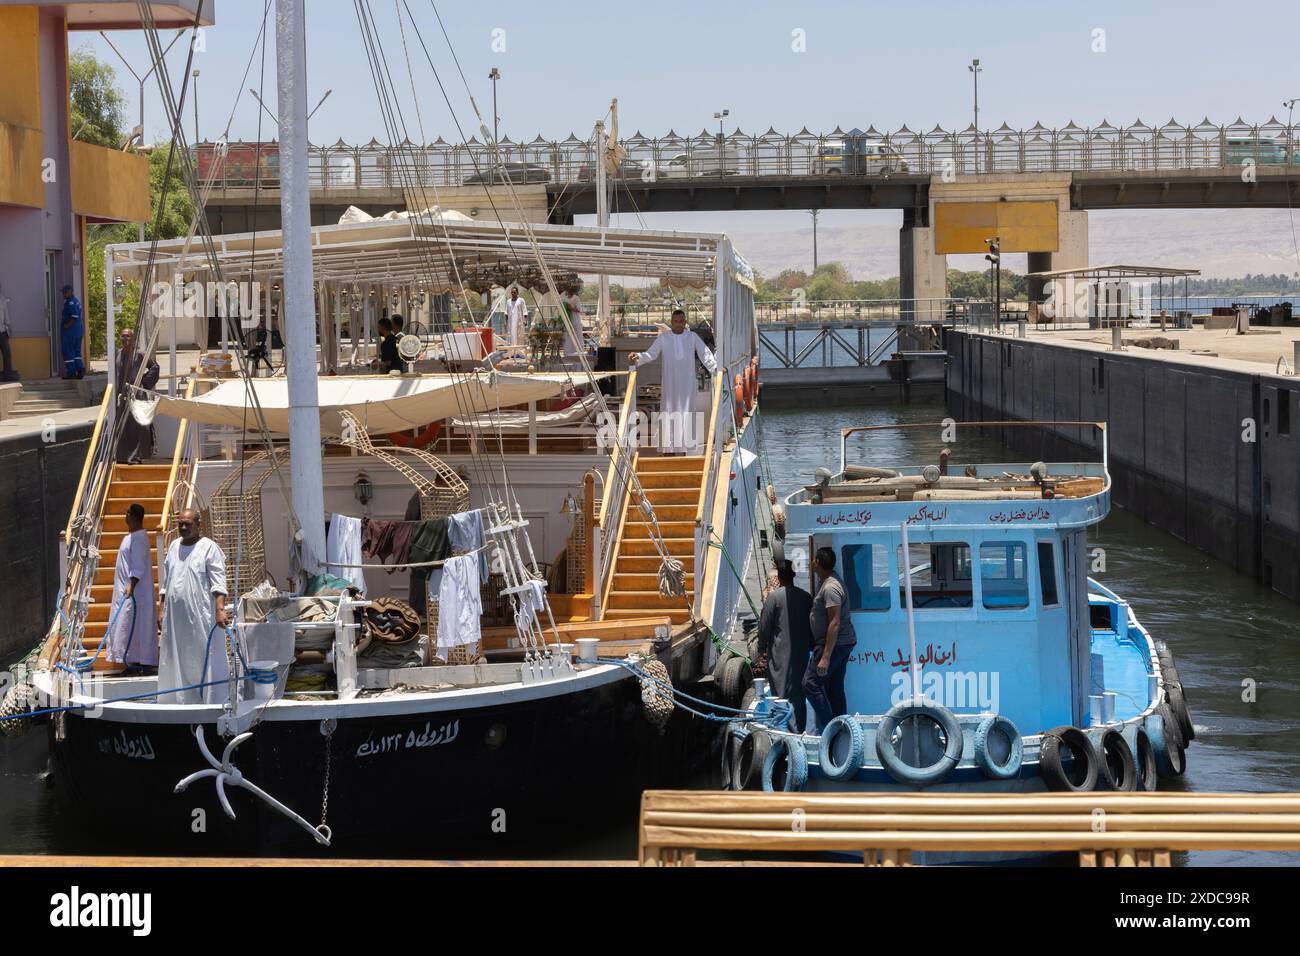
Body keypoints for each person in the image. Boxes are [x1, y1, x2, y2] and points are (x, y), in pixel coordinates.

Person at [156, 509, 228, 704]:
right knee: (175, 656)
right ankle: (177, 700)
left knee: (201, 656)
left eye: (188, 523)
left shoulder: (209, 547)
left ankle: (210, 700)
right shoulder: (173, 546)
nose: (184, 527)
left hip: (200, 618)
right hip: (174, 619)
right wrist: (161, 609)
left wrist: (220, 610)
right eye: (181, 524)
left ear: (199, 525)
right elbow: (166, 582)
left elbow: (218, 582)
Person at [629, 308, 718, 455]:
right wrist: (637, 356)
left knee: (686, 414)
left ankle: (683, 450)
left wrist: (716, 368)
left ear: (685, 322)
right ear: (671, 322)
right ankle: (667, 451)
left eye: (681, 321)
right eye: (676, 321)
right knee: (669, 414)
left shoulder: (692, 337)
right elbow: (651, 354)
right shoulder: (664, 338)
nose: (678, 324)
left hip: (687, 384)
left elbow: (705, 354)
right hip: (670, 385)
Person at [802, 546, 857, 734]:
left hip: (836, 645)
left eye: (813, 559)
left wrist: (825, 656)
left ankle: (830, 728)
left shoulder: (831, 587)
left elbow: (834, 623)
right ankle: (843, 728)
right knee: (834, 687)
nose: (811, 562)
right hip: (840, 643)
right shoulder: (825, 582)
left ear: (817, 562)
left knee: (810, 683)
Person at [758, 559, 813, 733]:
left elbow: (764, 626)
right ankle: (800, 729)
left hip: (779, 654)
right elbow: (812, 625)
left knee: (780, 693)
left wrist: (761, 649)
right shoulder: (806, 597)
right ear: (793, 576)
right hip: (801, 653)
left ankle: (784, 731)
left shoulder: (774, 598)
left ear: (779, 577)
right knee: (798, 693)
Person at [107, 503, 158, 674]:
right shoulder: (130, 537)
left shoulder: (139, 538)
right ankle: (131, 661)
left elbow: (138, 566)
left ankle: (140, 662)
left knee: (135, 625)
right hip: (125, 591)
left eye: (126, 513)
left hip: (134, 594)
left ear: (131, 516)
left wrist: (131, 585)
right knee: (127, 626)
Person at [114, 329, 161, 464]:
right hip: (121, 396)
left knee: (137, 427)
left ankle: (137, 456)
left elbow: (155, 367)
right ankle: (122, 457)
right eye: (123, 336)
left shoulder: (140, 354)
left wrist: (144, 382)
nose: (125, 339)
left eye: (128, 336)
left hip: (137, 396)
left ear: (133, 339)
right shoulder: (117, 354)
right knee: (123, 427)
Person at [60, 284, 84, 379]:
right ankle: (80, 369)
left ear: (70, 292)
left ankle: (71, 372)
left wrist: (67, 325)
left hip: (71, 331)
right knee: (76, 351)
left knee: (68, 351)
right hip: (78, 329)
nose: (63, 294)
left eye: (65, 292)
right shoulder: (76, 301)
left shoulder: (71, 303)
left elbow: (74, 316)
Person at [0, 283, 18, 381]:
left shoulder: (2, 300)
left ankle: (8, 375)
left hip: (2, 332)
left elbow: (6, 315)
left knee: (7, 354)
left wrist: (9, 328)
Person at [562, 290, 585, 360]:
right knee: (567, 335)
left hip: (575, 319)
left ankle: (578, 351)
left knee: (576, 334)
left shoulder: (576, 298)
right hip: (567, 319)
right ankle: (568, 352)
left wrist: (571, 308)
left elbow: (579, 310)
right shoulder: (565, 298)